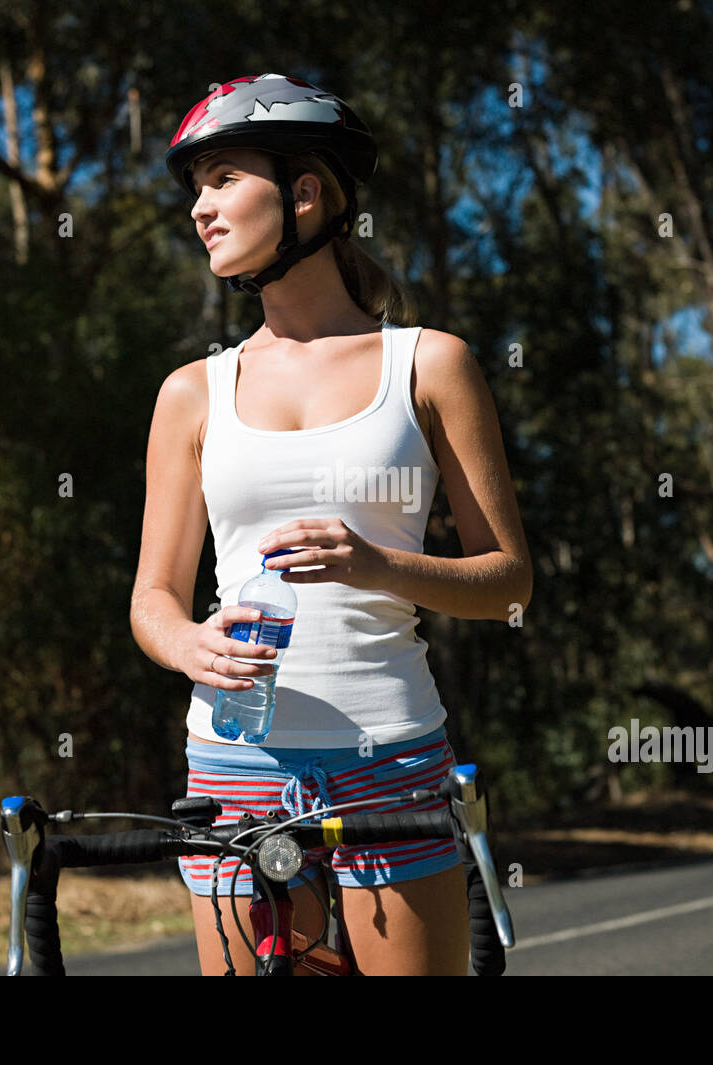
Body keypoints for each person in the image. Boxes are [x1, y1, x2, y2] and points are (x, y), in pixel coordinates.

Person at [130, 73, 532, 975]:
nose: (201, 208)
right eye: (196, 188)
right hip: (234, 760)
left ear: (306, 192)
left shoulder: (431, 365)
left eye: (224, 178)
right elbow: (153, 596)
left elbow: (509, 578)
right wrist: (188, 645)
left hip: (390, 752)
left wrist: (377, 563)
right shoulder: (191, 392)